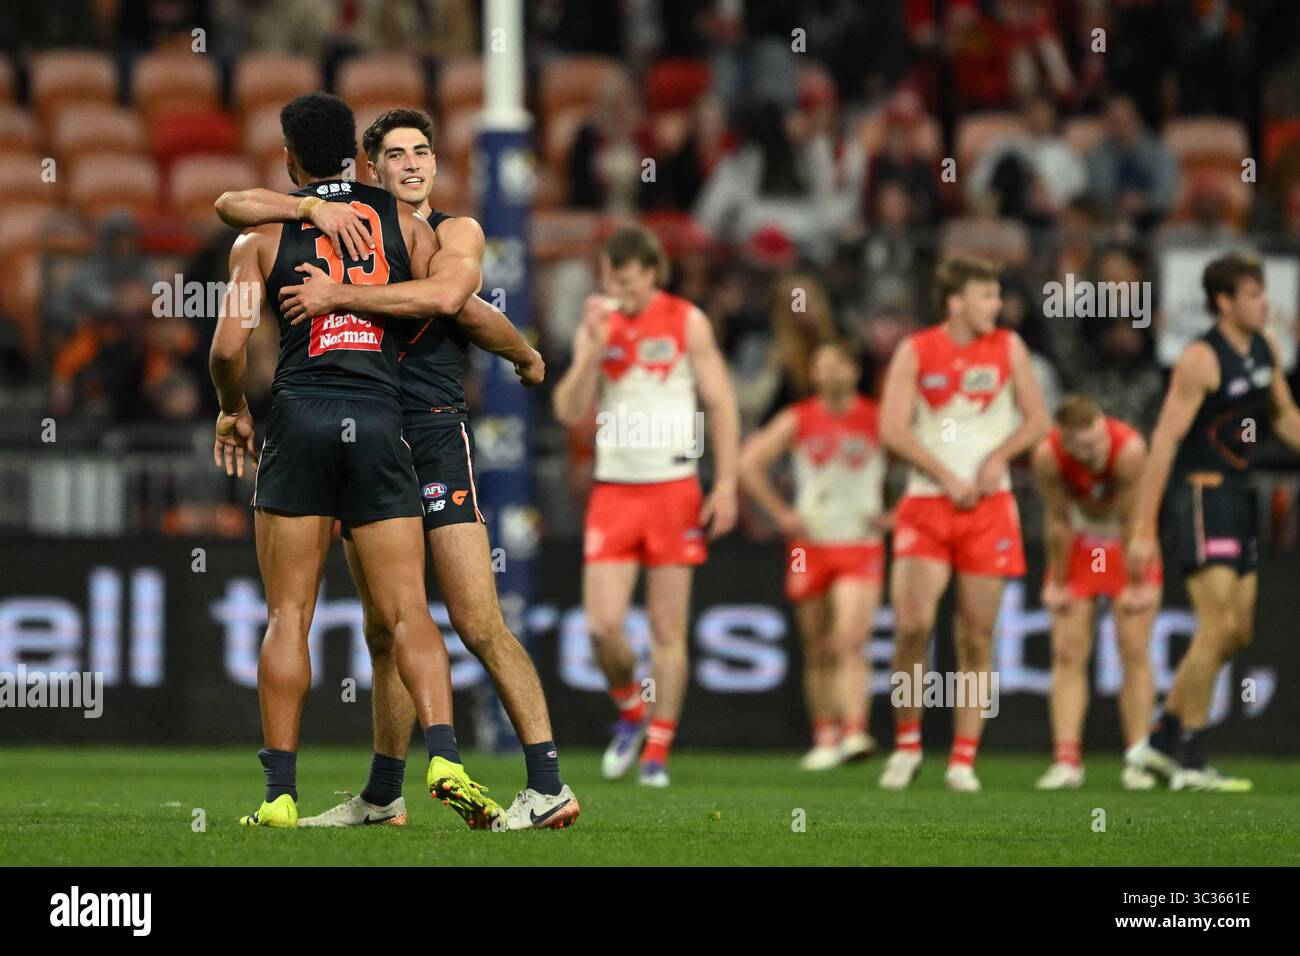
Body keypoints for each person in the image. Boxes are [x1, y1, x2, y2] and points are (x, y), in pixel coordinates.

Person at [216, 107, 578, 830]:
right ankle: (385, 793)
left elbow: (455, 302)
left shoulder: (450, 231)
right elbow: (231, 203)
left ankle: (547, 783)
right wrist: (312, 206)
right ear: (369, 167)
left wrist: (526, 355)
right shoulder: (350, 223)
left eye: (424, 151)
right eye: (398, 155)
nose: (414, 164)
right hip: (375, 434)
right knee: (385, 628)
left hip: (427, 433)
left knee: (476, 619)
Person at [552, 225, 740, 788]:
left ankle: (658, 750)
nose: (621, 291)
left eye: (629, 281)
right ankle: (632, 711)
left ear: (653, 275)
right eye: (611, 280)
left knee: (666, 629)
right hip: (615, 489)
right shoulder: (601, 324)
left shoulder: (687, 321)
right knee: (602, 626)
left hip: (673, 488)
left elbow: (723, 404)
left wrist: (726, 483)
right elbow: (568, 409)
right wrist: (591, 349)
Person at [1125, 253, 1300, 791]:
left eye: (1264, 292)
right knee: (1217, 624)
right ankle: (1189, 760)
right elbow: (1165, 441)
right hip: (1202, 496)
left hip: (1240, 494)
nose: (1264, 302)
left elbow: (1285, 416)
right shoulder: (1201, 359)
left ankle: (1158, 742)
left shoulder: (1266, 348)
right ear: (1224, 302)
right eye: (1252, 294)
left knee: (1238, 631)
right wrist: (1142, 528)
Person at [877, 256, 1048, 792]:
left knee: (977, 635)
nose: (995, 306)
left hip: (990, 507)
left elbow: (1038, 418)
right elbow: (891, 428)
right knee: (912, 628)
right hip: (928, 503)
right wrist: (945, 474)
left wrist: (1000, 457)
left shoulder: (1009, 348)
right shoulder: (916, 349)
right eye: (985, 296)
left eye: (996, 296)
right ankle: (907, 744)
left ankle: (963, 758)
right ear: (955, 302)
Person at [739, 340, 889, 770]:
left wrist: (897, 515)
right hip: (810, 544)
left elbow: (921, 461)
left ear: (853, 370)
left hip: (859, 542)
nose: (824, 373)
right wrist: (782, 513)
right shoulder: (799, 418)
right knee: (819, 646)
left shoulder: (876, 419)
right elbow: (750, 465)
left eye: (833, 365)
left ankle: (855, 731)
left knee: (851, 640)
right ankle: (826, 736)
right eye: (818, 366)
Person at [1031, 395, 1160, 791]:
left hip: (1127, 544)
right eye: (1084, 447)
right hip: (1081, 541)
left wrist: (1136, 584)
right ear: (1065, 442)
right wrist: (1058, 582)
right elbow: (1055, 519)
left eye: (1098, 440)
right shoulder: (1048, 456)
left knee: (1134, 651)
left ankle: (1138, 758)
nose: (1095, 451)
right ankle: (1067, 761)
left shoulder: (1130, 450)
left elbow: (1131, 519)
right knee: (1068, 652)